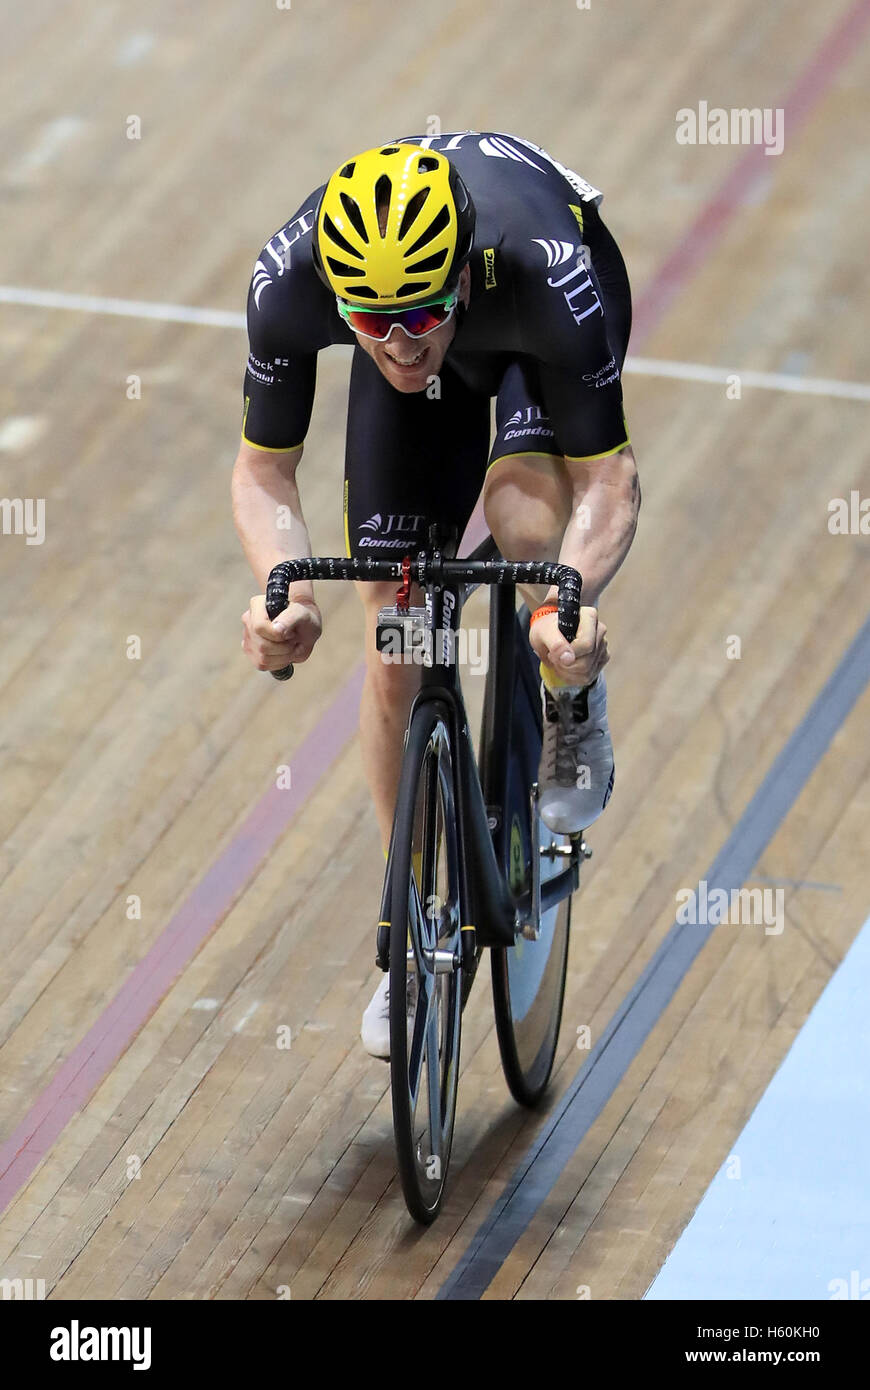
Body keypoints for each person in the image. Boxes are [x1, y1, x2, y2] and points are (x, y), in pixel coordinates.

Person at [232, 132, 640, 1058]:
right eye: (371, 322)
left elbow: (610, 482)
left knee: (526, 517)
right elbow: (264, 472)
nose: (401, 344)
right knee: (396, 633)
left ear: (459, 271)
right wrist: (277, 593)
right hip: (467, 317)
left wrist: (569, 605)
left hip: (529, 334)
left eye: (418, 314)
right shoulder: (291, 280)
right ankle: (408, 932)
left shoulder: (544, 269)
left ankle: (572, 697)